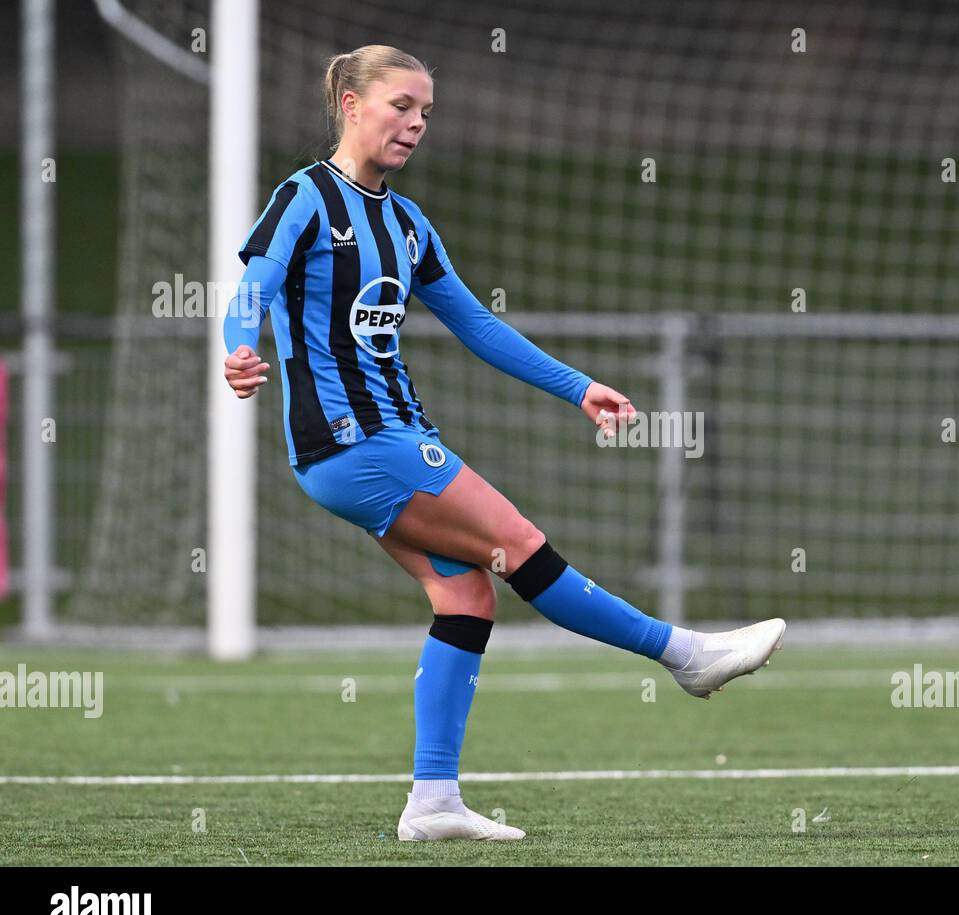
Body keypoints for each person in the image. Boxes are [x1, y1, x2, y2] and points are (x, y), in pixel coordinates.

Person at [220, 45, 784, 842]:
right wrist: (239, 349)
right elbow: (253, 288)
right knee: (517, 542)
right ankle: (684, 655)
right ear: (351, 105)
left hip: (388, 438)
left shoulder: (409, 225)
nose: (415, 123)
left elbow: (477, 325)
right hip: (355, 441)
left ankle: (434, 802)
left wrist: (577, 385)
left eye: (425, 111)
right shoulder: (304, 198)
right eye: (399, 105)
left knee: (466, 594)